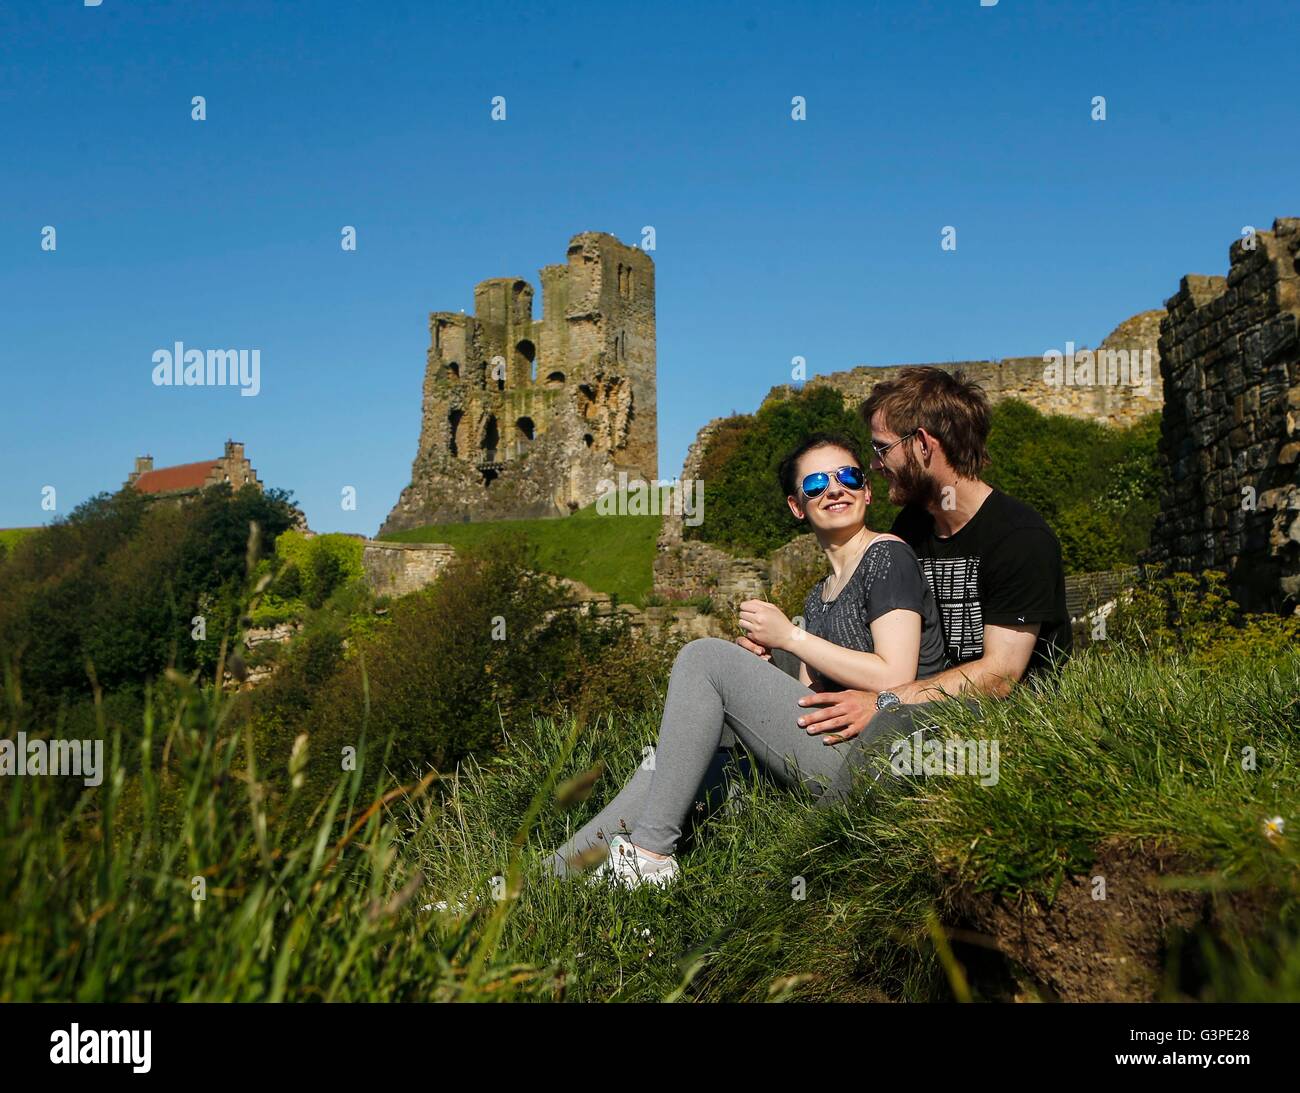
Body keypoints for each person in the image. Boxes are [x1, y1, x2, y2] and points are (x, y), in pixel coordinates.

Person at [546, 432, 947, 889]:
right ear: (798, 507)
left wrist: (789, 637)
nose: (835, 489)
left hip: (876, 761)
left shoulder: (888, 556)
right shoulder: (820, 596)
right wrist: (764, 664)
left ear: (867, 490)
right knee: (668, 766)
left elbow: (895, 676)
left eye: (849, 476)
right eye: (816, 483)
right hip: (831, 747)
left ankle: (651, 855)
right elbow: (813, 694)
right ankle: (540, 884)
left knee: (703, 658)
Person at [793, 367, 1071, 752]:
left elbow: (1000, 678)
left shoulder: (1019, 539)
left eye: (882, 449)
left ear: (922, 444)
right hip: (921, 710)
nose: (875, 465)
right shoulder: (913, 526)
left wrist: (883, 702)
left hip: (1002, 728)